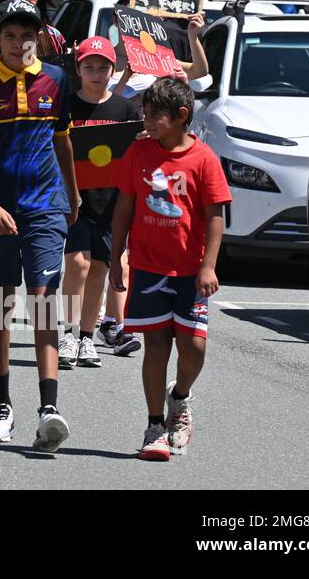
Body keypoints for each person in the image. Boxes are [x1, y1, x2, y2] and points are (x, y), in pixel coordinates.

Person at [0, 0, 78, 452]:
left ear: (40, 38)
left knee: (43, 299)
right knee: (2, 302)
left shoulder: (58, 79)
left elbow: (62, 140)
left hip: (45, 205)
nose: (18, 43)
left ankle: (49, 408)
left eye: (27, 35)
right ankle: (2, 405)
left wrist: (74, 192)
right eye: (9, 35)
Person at [109, 77, 230, 461]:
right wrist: (116, 258)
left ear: (181, 117)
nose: (146, 120)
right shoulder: (139, 152)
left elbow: (215, 216)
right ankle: (155, 425)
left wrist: (208, 266)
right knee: (156, 346)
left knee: (193, 346)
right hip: (147, 267)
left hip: (190, 273)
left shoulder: (204, 159)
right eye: (144, 112)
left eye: (155, 115)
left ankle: (180, 398)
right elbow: (124, 207)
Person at [58, 37, 142, 368]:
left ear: (114, 69)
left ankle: (86, 337)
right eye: (89, 66)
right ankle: (66, 331)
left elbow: (135, 154)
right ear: (77, 69)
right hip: (72, 199)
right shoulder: (65, 105)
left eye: (103, 67)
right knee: (77, 262)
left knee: (100, 268)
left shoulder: (124, 109)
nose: (96, 73)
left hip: (111, 203)